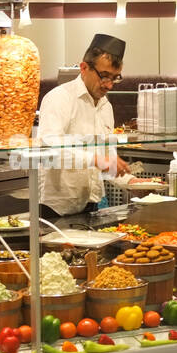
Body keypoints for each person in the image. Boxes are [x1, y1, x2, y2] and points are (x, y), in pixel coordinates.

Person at [37, 34, 129, 218]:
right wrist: (95, 159)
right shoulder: (59, 98)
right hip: (56, 209)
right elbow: (50, 151)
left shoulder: (106, 106)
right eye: (104, 76)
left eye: (115, 78)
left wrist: (131, 180)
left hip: (91, 206)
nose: (109, 85)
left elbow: (107, 159)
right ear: (84, 67)